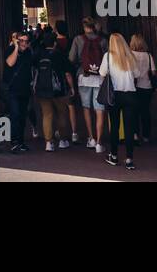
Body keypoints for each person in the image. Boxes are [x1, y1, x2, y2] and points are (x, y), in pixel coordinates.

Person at [102, 33, 139, 169]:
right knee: (129, 128)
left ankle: (114, 156)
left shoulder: (107, 57)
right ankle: (129, 159)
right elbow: (137, 74)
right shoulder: (130, 56)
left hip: (115, 96)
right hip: (130, 94)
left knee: (115, 127)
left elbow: (102, 73)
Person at [70, 17, 108, 151]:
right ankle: (99, 143)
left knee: (86, 108)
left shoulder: (78, 40)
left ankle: (90, 138)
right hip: (99, 78)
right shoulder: (103, 40)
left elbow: (71, 58)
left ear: (84, 27)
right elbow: (107, 59)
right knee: (99, 110)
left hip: (83, 76)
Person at [32, 30, 71, 151]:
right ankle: (63, 140)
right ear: (54, 43)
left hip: (42, 89)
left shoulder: (39, 54)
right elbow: (67, 73)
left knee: (47, 115)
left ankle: (48, 142)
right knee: (62, 114)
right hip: (58, 90)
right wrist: (72, 88)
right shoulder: (59, 54)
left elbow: (33, 68)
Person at [3, 30, 35, 153]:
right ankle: (14, 142)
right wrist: (15, 47)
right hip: (12, 90)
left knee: (22, 117)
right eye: (21, 41)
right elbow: (10, 63)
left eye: (26, 41)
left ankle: (21, 142)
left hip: (25, 89)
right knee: (15, 115)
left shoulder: (28, 53)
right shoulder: (10, 50)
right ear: (17, 41)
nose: (24, 44)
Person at [53, 20, 79, 146]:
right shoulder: (71, 41)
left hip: (57, 77)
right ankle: (74, 133)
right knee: (71, 106)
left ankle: (60, 131)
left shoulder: (54, 43)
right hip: (69, 73)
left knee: (59, 108)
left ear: (56, 29)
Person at [129, 33, 154, 144]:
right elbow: (153, 71)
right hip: (147, 86)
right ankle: (146, 136)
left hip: (134, 87)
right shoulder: (148, 55)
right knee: (145, 111)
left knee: (133, 111)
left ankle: (135, 134)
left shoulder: (130, 55)